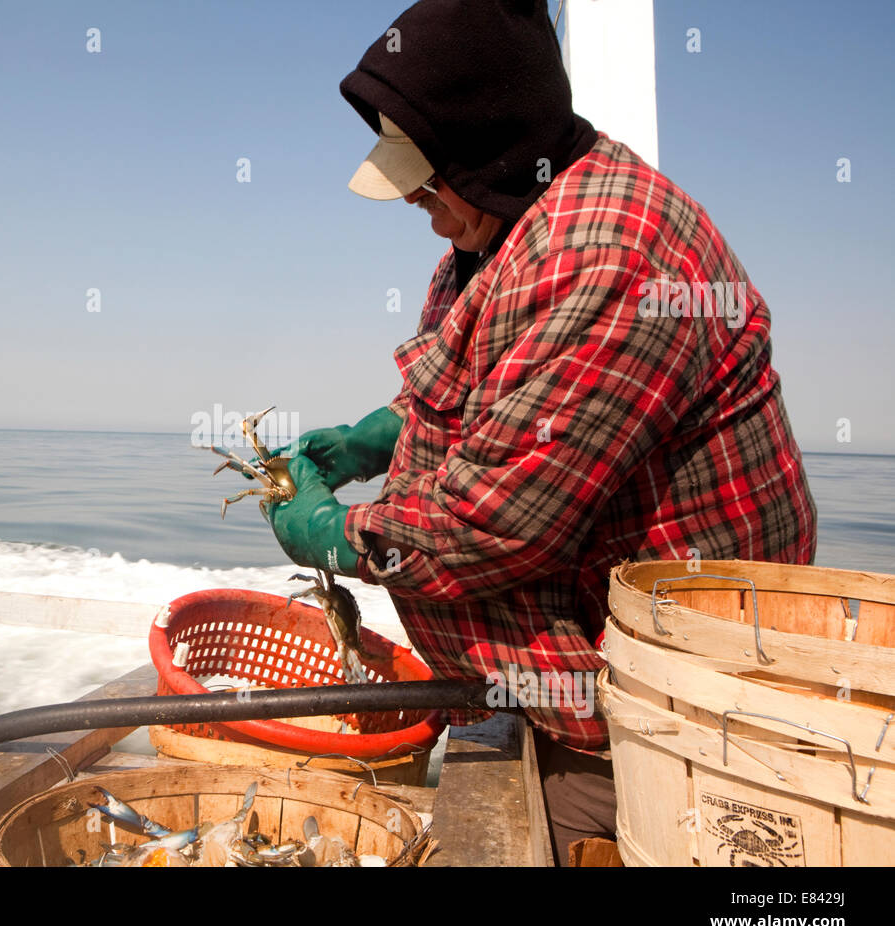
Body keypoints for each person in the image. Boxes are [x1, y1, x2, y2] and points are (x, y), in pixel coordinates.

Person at [266, 0, 817, 865]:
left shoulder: (610, 260)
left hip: (657, 715)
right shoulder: (504, 220)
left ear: (494, 151)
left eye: (428, 178)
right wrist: (382, 431)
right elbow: (490, 390)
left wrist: (334, 536)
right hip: (570, 668)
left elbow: (496, 525)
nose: (415, 199)